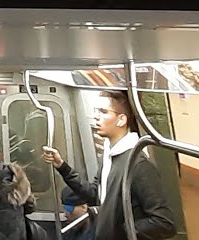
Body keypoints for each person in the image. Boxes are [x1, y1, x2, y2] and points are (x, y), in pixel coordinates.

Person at [41, 91, 176, 240]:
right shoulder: (110, 157)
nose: (97, 117)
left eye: (104, 112)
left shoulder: (138, 165)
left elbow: (164, 222)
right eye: (97, 111)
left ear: (121, 120)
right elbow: (94, 195)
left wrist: (122, 229)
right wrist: (62, 166)